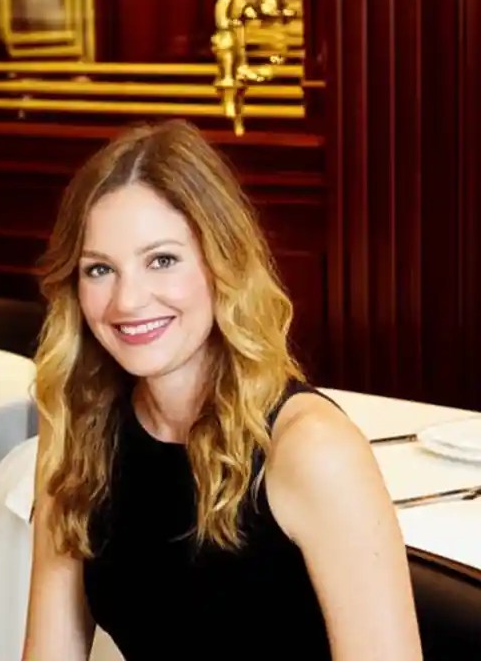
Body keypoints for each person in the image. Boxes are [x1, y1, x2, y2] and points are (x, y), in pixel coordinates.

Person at [21, 120, 420, 660]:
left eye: (162, 260)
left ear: (221, 262)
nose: (128, 301)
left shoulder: (310, 449)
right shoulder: (79, 426)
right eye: (99, 270)